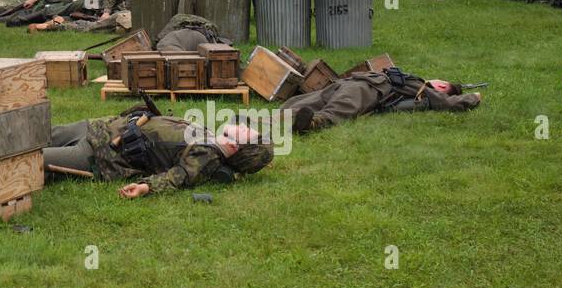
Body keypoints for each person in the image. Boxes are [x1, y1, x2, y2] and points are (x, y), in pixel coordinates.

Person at [43, 111, 273, 197]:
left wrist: (145, 187)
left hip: (99, 153)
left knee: (33, 159)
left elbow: (177, 177)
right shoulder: (210, 136)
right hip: (99, 127)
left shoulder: (207, 157)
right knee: (35, 134)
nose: (243, 126)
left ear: (236, 148)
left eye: (247, 133)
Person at [282, 68, 481, 132]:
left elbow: (447, 103)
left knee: (340, 108)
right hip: (351, 83)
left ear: (442, 87)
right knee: (307, 101)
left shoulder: (423, 87)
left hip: (367, 89)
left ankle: (313, 124)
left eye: (442, 82)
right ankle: (284, 118)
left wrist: (473, 97)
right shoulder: (415, 82)